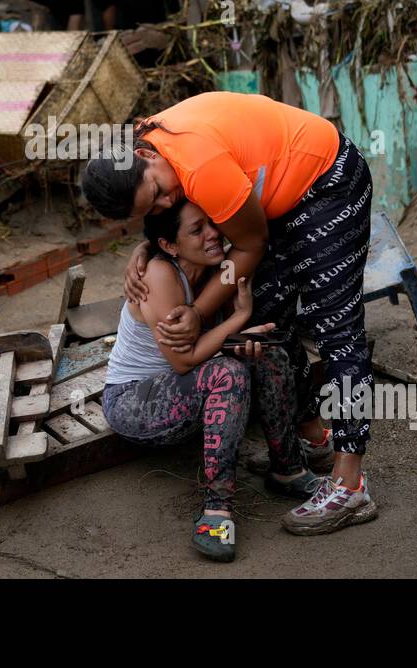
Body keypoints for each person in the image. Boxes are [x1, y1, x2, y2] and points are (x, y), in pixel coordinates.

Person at [82, 91, 378, 537]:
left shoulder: (198, 168)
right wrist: (148, 244)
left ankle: (350, 481)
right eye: (153, 209)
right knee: (269, 317)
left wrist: (197, 312)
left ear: (143, 154)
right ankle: (312, 440)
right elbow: (178, 221)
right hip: (284, 195)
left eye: (160, 193)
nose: (166, 203)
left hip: (326, 180)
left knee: (336, 326)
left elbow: (251, 244)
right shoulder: (154, 154)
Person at [102, 199, 320, 561]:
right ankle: (216, 513)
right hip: (134, 401)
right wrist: (239, 319)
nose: (212, 234)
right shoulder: (159, 275)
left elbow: (201, 350)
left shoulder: (213, 267)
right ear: (169, 246)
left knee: (269, 354)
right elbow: (184, 360)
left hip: (181, 384)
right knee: (228, 373)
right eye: (196, 229)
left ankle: (288, 469)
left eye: (210, 223)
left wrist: (241, 340)